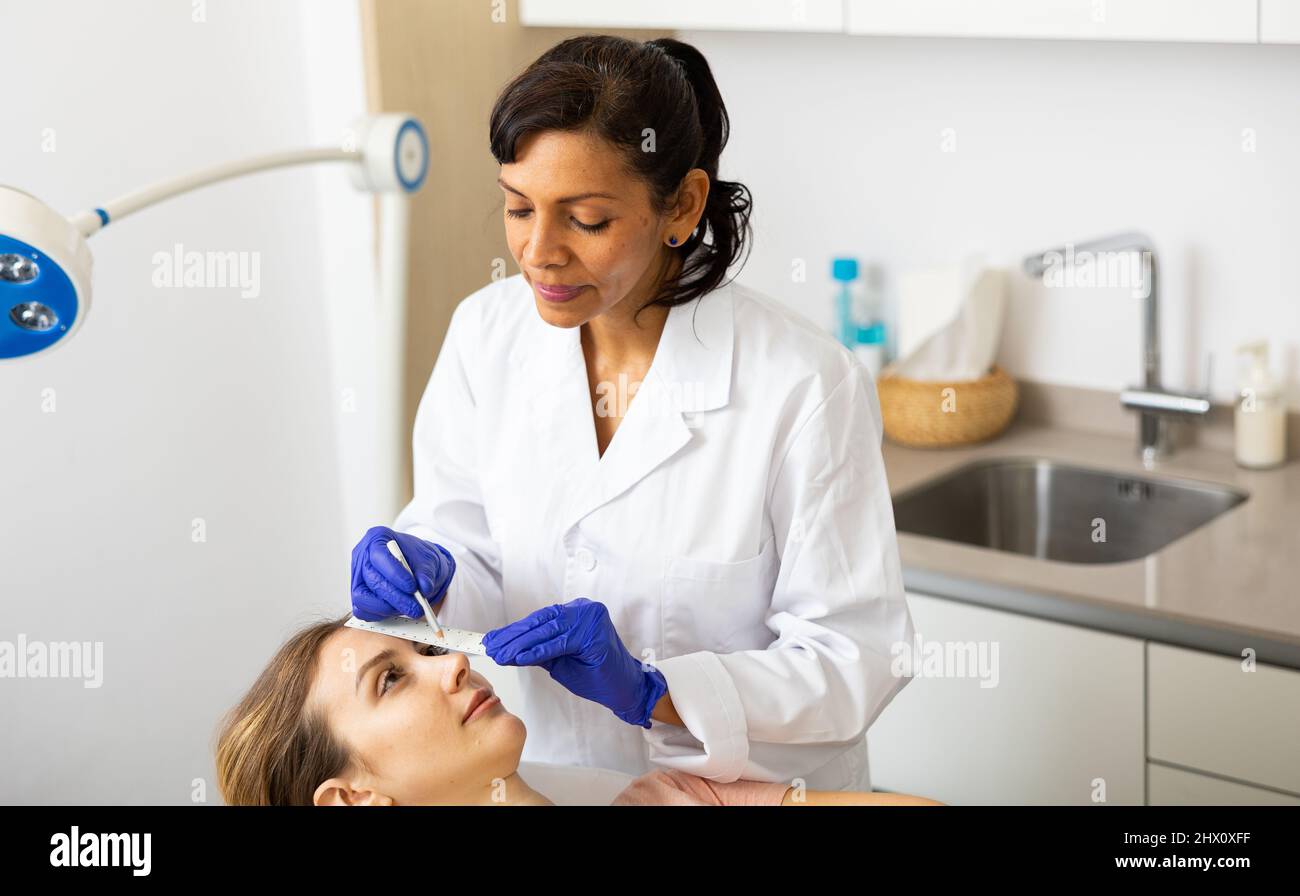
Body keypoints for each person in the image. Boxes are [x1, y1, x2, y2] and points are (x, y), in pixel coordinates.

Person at [349, 34, 914, 790]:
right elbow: (472, 544)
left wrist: (658, 690)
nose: (538, 252)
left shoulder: (803, 383)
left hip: (758, 793)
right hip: (569, 783)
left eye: (584, 220)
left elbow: (856, 659)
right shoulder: (486, 336)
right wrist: (430, 575)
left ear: (680, 205)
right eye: (518, 208)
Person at [214, 618, 942, 807]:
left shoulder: (671, 797)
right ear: (351, 799)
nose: (454, 662)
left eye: (426, 651)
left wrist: (658, 690)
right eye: (392, 680)